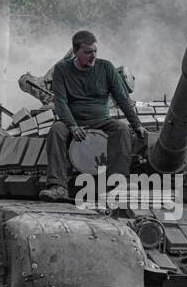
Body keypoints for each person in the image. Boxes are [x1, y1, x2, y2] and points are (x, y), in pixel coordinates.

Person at [40, 30, 148, 202]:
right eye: (88, 52)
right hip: (73, 121)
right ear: (75, 52)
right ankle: (58, 186)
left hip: (101, 120)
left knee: (121, 128)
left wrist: (137, 125)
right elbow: (60, 101)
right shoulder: (62, 70)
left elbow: (123, 98)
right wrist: (72, 125)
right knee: (56, 129)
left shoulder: (106, 67)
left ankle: (117, 183)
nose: (93, 56)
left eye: (95, 52)